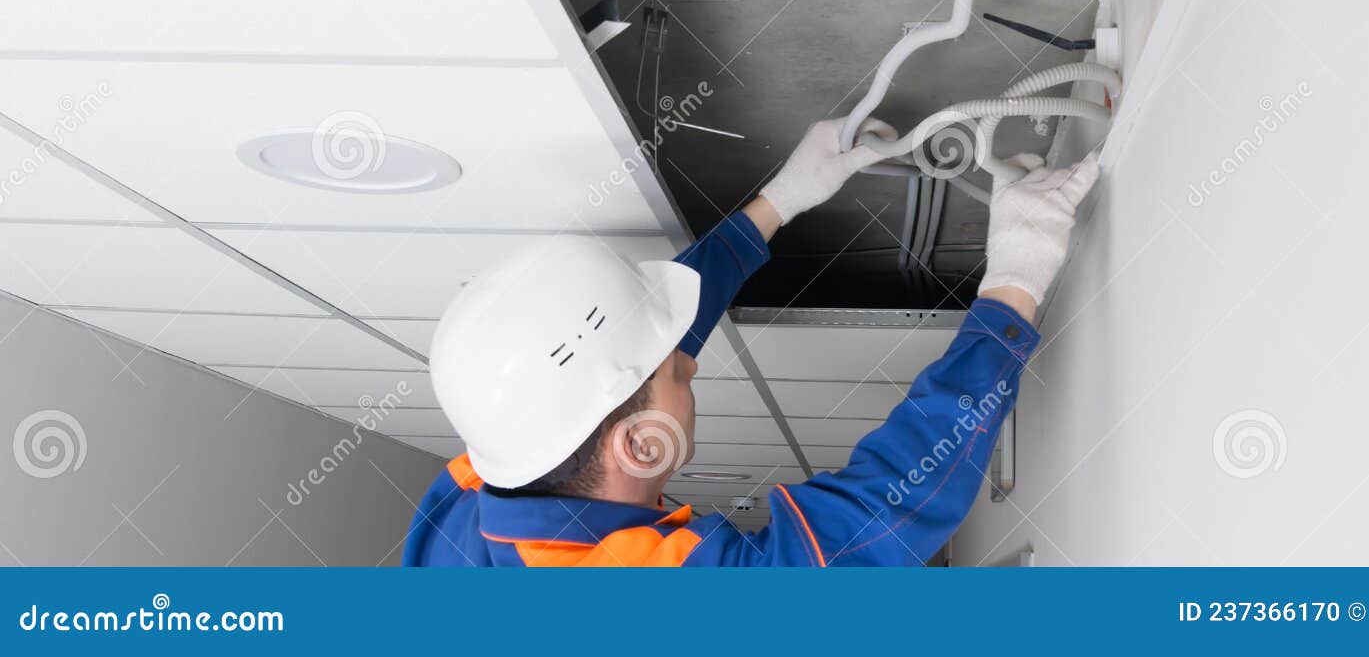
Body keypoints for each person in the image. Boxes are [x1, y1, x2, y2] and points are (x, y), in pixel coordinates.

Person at [403, 117, 1099, 566]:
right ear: (635, 446)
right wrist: (1015, 280)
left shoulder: (498, 467)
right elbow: (871, 526)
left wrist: (779, 202)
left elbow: (632, 356)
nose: (690, 363)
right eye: (679, 371)